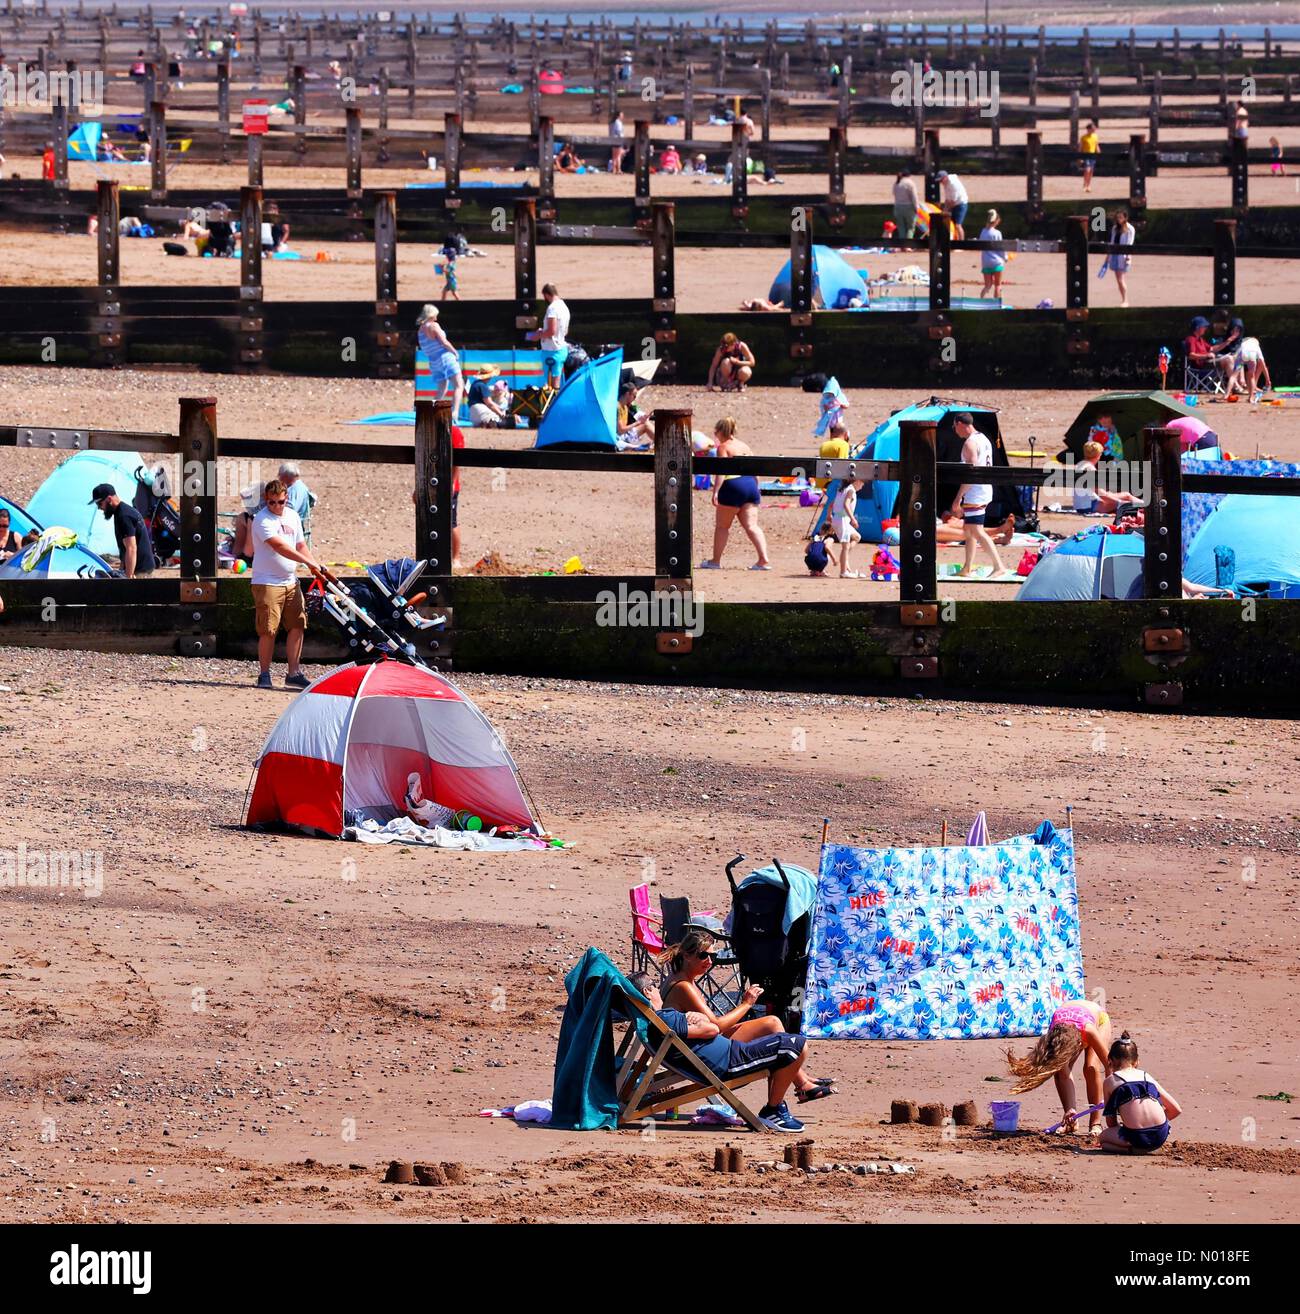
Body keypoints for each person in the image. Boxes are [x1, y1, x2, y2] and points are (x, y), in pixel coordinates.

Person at [627, 971, 820, 1133]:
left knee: (782, 1035)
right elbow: (711, 1029)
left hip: (730, 1055)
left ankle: (782, 1102)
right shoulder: (666, 1018)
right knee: (796, 1045)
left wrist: (697, 1019)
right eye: (654, 984)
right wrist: (700, 1019)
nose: (659, 988)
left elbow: (706, 1029)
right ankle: (773, 1110)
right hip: (730, 1063)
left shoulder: (658, 1021)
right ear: (648, 991)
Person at [658, 931, 834, 1105]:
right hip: (701, 1050)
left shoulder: (679, 977)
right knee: (772, 1028)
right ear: (687, 956)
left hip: (697, 1042)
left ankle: (802, 1082)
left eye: (713, 956)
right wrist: (747, 1003)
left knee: (772, 1023)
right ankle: (798, 1087)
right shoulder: (683, 987)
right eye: (704, 955)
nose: (709, 961)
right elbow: (717, 1026)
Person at [249, 477, 320, 690]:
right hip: (267, 582)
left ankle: (294, 672)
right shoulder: (261, 520)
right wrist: (307, 561)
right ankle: (264, 673)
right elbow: (280, 547)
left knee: (298, 624)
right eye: (272, 502)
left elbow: (300, 544)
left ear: (286, 499)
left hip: (290, 581)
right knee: (268, 630)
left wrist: (315, 565)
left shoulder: (293, 516)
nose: (276, 507)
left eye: (280, 502)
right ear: (266, 500)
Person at [1006, 996, 1112, 1136]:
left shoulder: (1088, 1031)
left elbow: (1109, 1064)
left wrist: (1111, 1092)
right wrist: (1071, 1110)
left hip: (1098, 1020)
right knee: (1059, 1069)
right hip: (1068, 1024)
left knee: (1091, 1067)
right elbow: (1064, 1076)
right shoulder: (1054, 1035)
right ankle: (1071, 1120)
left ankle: (1095, 1123)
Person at [698, 417, 771, 571]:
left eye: (715, 432)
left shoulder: (723, 447)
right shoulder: (744, 445)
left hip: (733, 486)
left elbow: (722, 471)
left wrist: (715, 491)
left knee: (722, 527)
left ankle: (715, 561)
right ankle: (763, 560)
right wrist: (756, 487)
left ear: (719, 431)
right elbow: (754, 467)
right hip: (750, 484)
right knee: (752, 526)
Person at [1099, 1033, 1182, 1154]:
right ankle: (1147, 1146)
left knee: (1103, 1139)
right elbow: (1176, 1109)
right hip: (1160, 1135)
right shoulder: (1146, 1076)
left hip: (1136, 1137)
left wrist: (1128, 1125)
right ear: (1137, 1061)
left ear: (1110, 1061)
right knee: (1116, 1137)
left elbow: (1111, 1123)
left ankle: (1131, 1149)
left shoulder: (1110, 1081)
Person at [950, 412, 1004, 577]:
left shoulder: (970, 443)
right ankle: (967, 567)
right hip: (984, 489)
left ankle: (998, 566)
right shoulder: (984, 438)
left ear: (960, 423)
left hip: (976, 492)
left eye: (954, 426)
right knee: (969, 531)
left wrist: (958, 499)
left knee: (977, 531)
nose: (954, 430)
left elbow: (970, 473)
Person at [89, 483, 155, 578]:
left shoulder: (124, 516)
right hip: (139, 568)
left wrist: (128, 577)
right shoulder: (120, 512)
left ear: (109, 499)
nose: (99, 508)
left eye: (99, 503)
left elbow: (131, 548)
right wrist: (122, 569)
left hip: (140, 571)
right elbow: (125, 549)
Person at [416, 303, 464, 421]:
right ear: (431, 315)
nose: (436, 318)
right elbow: (444, 342)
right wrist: (454, 352)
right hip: (445, 357)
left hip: (433, 361)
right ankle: (455, 413)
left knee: (442, 388)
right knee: (459, 385)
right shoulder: (433, 326)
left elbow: (424, 347)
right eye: (435, 315)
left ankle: (432, 412)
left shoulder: (420, 330)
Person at [1075, 442, 1141, 514]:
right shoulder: (1090, 469)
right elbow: (1100, 493)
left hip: (1079, 506)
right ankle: (1145, 506)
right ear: (1098, 455)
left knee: (1126, 495)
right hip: (1090, 506)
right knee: (1127, 500)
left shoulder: (1080, 465)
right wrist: (1119, 502)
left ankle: (1143, 505)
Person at [526, 284, 570, 387]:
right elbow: (565, 331)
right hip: (561, 348)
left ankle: (552, 403)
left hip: (551, 351)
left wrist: (538, 335)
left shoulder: (552, 308)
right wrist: (544, 331)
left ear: (546, 294)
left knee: (552, 386)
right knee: (557, 382)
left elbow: (551, 331)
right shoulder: (564, 307)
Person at [829, 477, 864, 578]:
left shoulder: (842, 489)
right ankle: (843, 572)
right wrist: (853, 519)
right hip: (842, 519)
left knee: (857, 537)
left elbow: (832, 504)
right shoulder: (851, 490)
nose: (863, 485)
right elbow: (846, 504)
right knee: (845, 546)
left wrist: (829, 515)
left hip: (838, 518)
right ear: (856, 481)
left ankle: (845, 560)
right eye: (862, 482)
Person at [1103, 209, 1135, 307]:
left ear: (1125, 218)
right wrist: (1108, 256)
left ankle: (1125, 300)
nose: (1119, 219)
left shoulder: (1130, 229)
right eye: (1117, 217)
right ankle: (1124, 299)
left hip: (1123, 255)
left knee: (1120, 279)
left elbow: (1130, 243)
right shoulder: (1115, 228)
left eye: (1121, 217)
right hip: (1114, 255)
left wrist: (1128, 257)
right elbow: (1112, 242)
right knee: (1118, 279)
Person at [277, 461, 315, 540]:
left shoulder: (295, 489)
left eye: (280, 475)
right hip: (291, 523)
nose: (278, 478)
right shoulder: (296, 486)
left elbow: (290, 509)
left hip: (291, 526)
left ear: (286, 476)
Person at [979, 209, 1006, 298]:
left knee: (987, 286)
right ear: (996, 221)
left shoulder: (983, 232)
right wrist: (1005, 257)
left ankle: (981, 301)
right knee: (997, 285)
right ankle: (996, 306)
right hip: (997, 261)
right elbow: (1000, 247)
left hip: (986, 262)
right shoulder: (997, 233)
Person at [935, 169, 968, 240]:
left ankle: (961, 244)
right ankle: (952, 242)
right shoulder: (945, 184)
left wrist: (946, 211)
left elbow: (952, 201)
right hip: (953, 204)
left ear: (945, 177)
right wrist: (943, 210)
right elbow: (947, 200)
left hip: (961, 204)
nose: (940, 182)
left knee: (957, 225)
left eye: (941, 180)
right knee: (950, 224)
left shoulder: (953, 184)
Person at [892, 170, 920, 239]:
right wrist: (917, 208)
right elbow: (914, 197)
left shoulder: (896, 183)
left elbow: (894, 193)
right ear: (909, 175)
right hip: (909, 207)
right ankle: (908, 244)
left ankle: (902, 244)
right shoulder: (910, 183)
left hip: (898, 207)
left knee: (901, 227)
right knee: (910, 227)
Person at [1080, 121, 1100, 193]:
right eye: (1092, 129)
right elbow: (1080, 148)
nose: (1094, 130)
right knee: (1087, 170)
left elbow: (1096, 146)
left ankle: (1088, 185)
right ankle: (1085, 184)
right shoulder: (1083, 137)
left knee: (1091, 171)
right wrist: (1080, 157)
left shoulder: (1095, 136)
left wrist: (1099, 153)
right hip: (1086, 155)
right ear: (1088, 129)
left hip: (1093, 155)